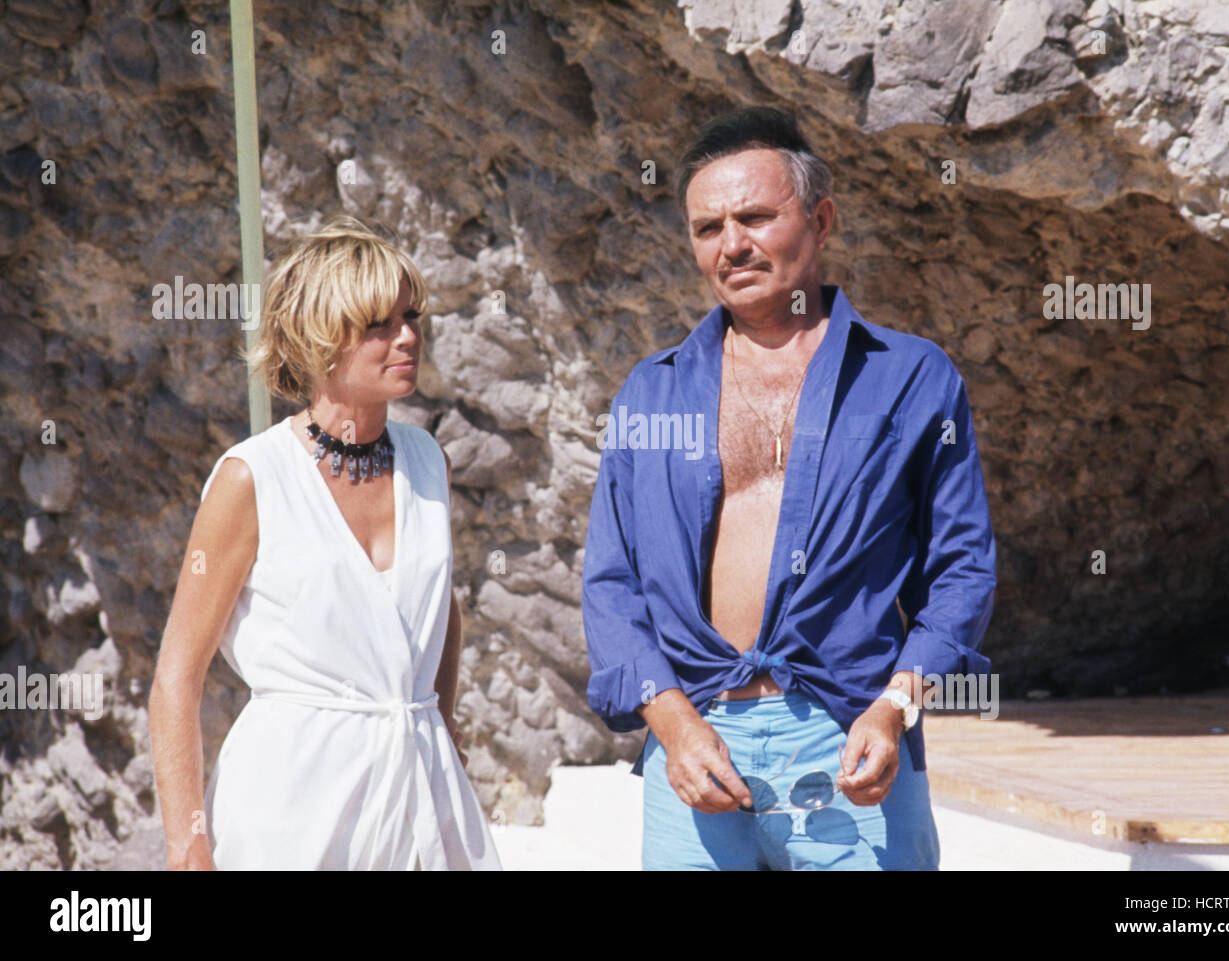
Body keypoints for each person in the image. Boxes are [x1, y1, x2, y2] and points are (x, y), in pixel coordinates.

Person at [582, 107, 997, 870]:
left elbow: (963, 569)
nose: (731, 244)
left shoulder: (910, 377)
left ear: (820, 219)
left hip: (849, 732)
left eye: (755, 217)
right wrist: (671, 723)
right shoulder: (651, 393)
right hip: (697, 736)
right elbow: (612, 581)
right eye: (708, 228)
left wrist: (896, 706)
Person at [149, 215, 501, 870]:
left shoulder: (427, 459)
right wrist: (187, 843)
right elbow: (177, 677)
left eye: (412, 314)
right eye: (379, 324)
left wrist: (441, 730)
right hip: (291, 808)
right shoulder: (251, 478)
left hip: (423, 795)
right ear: (319, 339)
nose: (408, 336)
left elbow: (437, 611)